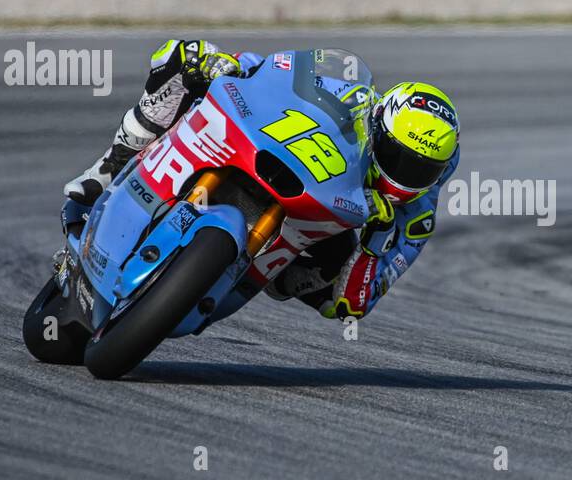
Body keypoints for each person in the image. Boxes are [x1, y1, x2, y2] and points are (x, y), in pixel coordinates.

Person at [63, 39, 459, 321]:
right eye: (398, 157)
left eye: (421, 169)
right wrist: (231, 65)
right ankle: (112, 165)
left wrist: (372, 246)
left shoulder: (418, 213)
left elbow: (355, 304)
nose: (406, 175)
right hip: (277, 153)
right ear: (378, 127)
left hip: (321, 212)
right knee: (185, 57)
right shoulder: (356, 97)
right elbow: (276, 71)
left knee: (329, 296)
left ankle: (264, 274)